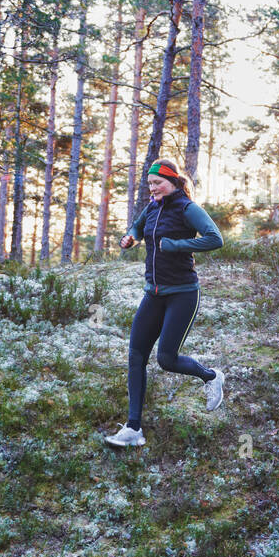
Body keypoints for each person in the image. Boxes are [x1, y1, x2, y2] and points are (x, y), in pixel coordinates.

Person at [105, 158, 226, 447]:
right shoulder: (153, 207)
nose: (152, 188)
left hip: (183, 293)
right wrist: (131, 238)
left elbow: (215, 239)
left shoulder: (188, 209)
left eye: (157, 182)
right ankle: (133, 429)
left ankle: (211, 376)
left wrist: (177, 245)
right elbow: (138, 226)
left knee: (166, 359)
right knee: (136, 355)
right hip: (154, 293)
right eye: (149, 183)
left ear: (173, 182)